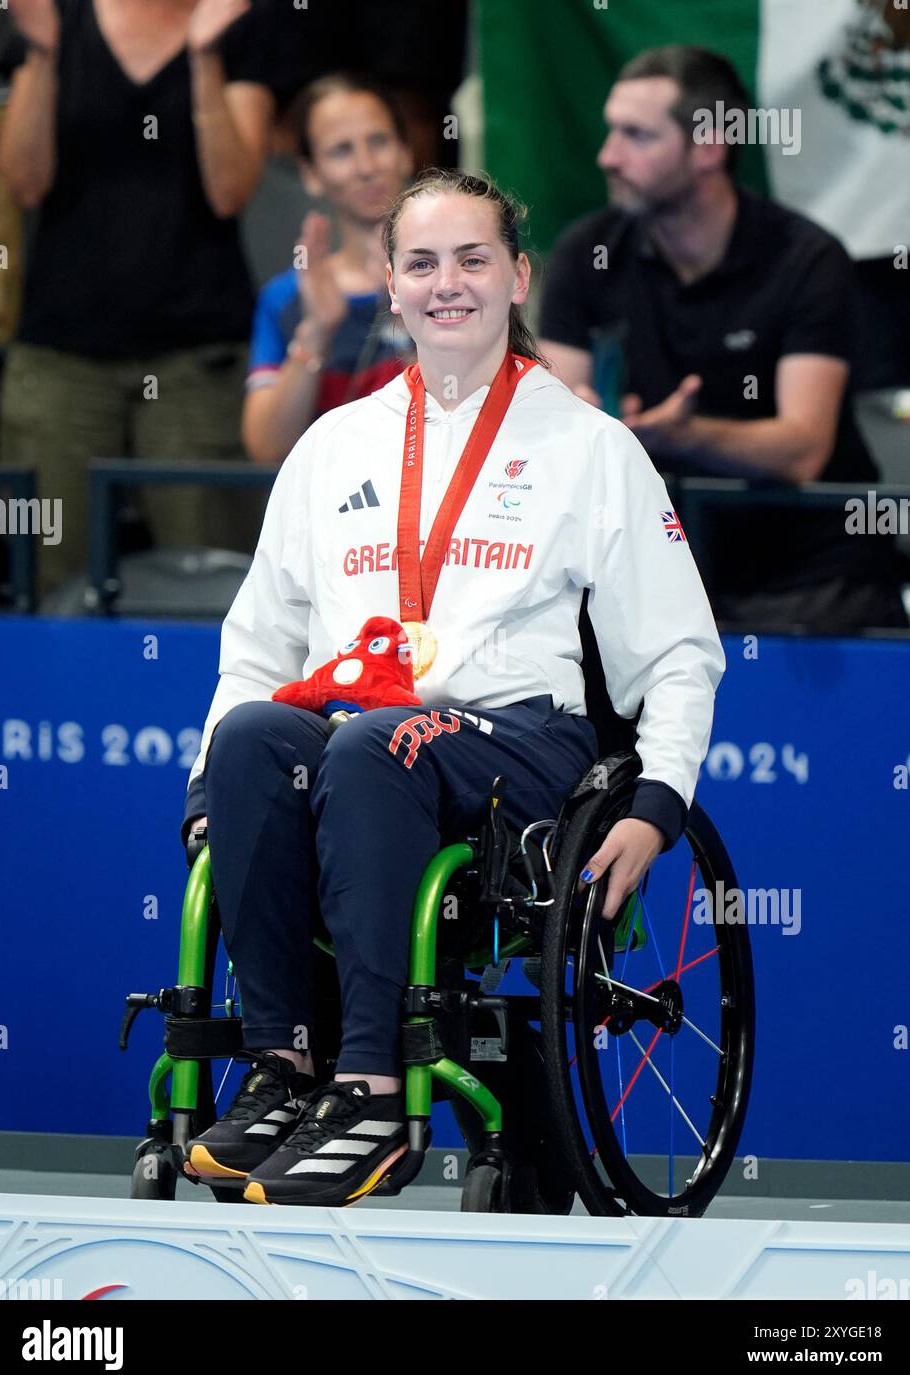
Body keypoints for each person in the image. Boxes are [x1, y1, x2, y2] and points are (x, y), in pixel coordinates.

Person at [181, 167, 725, 1208]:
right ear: (390, 284)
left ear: (518, 277)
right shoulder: (331, 445)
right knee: (252, 737)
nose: (448, 284)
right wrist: (210, 780)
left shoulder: (591, 447)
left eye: (473, 259)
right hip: (364, 733)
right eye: (422, 263)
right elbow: (256, 646)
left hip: (518, 744)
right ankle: (280, 1066)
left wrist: (658, 803)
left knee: (373, 742)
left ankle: (373, 1090)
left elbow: (678, 652)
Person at [539, 45, 907, 634]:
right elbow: (554, 418)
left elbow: (803, 449)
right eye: (611, 131)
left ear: (709, 147)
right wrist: (579, 419)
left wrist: (686, 436)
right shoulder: (588, 253)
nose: (608, 156)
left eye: (637, 136)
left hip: (808, 577)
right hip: (646, 566)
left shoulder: (806, 259)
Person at [0, 0, 280, 599]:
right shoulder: (56, 18)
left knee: (212, 581)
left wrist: (204, 56)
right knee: (48, 579)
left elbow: (230, 191)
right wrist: (43, 53)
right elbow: (23, 182)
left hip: (198, 354)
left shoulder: (234, 19)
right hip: (60, 350)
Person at [241, 74, 415, 464]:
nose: (366, 166)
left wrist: (414, 309)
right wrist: (317, 331)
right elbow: (266, 449)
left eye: (379, 141)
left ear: (406, 151)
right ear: (310, 173)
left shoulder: (455, 278)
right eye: (341, 151)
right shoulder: (288, 296)